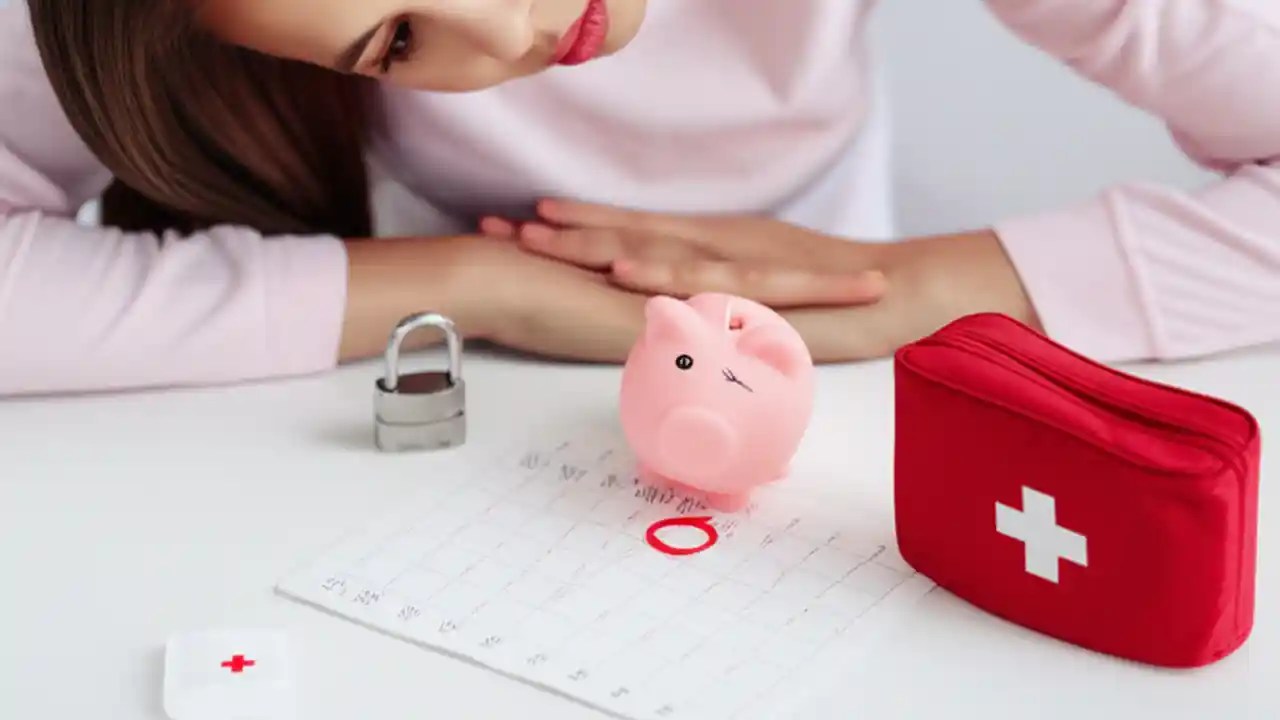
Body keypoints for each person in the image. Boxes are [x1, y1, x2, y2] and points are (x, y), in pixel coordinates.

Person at [1, 0, 1276, 397]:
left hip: (844, 324)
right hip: (502, 358)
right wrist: (472, 286)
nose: (512, 24)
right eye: (395, 41)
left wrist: (914, 292)